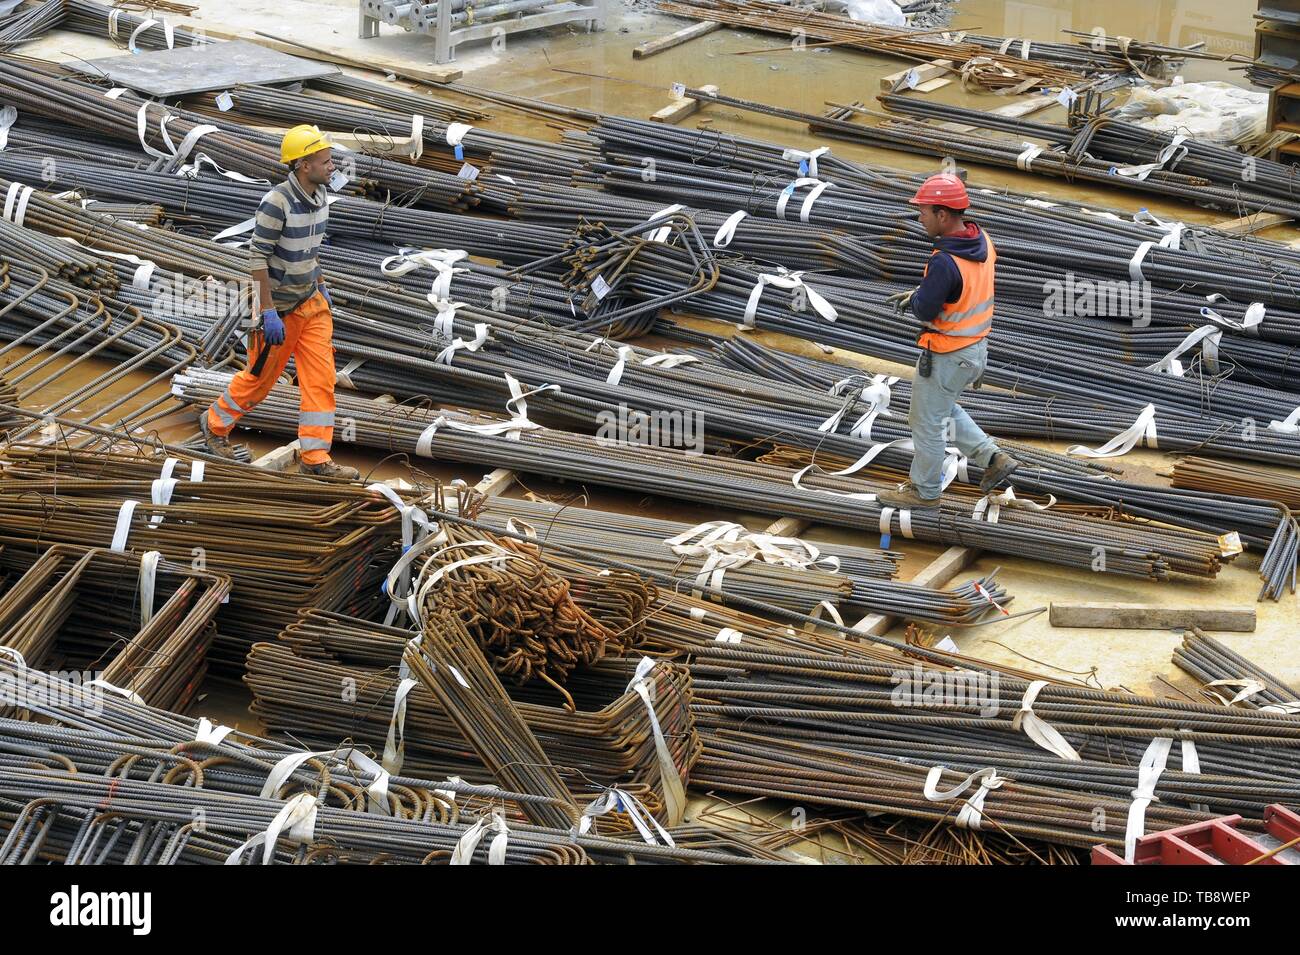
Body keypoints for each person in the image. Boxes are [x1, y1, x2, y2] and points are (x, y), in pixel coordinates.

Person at [199, 124, 359, 480]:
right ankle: (214, 424)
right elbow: (257, 258)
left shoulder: (319, 198)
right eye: (325, 161)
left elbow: (310, 249)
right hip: (279, 310)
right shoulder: (277, 202)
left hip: (311, 304)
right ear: (304, 165)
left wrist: (320, 283)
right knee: (260, 381)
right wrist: (268, 311)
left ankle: (315, 457)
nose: (332, 166)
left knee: (320, 381)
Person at [877, 173, 1017, 508]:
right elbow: (963, 292)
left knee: (926, 421)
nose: (919, 218)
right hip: (974, 351)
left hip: (948, 352)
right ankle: (993, 458)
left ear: (943, 215)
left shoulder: (944, 261)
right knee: (940, 410)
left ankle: (924, 491)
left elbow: (927, 311)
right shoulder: (981, 239)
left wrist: (918, 298)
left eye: (923, 212)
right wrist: (922, 292)